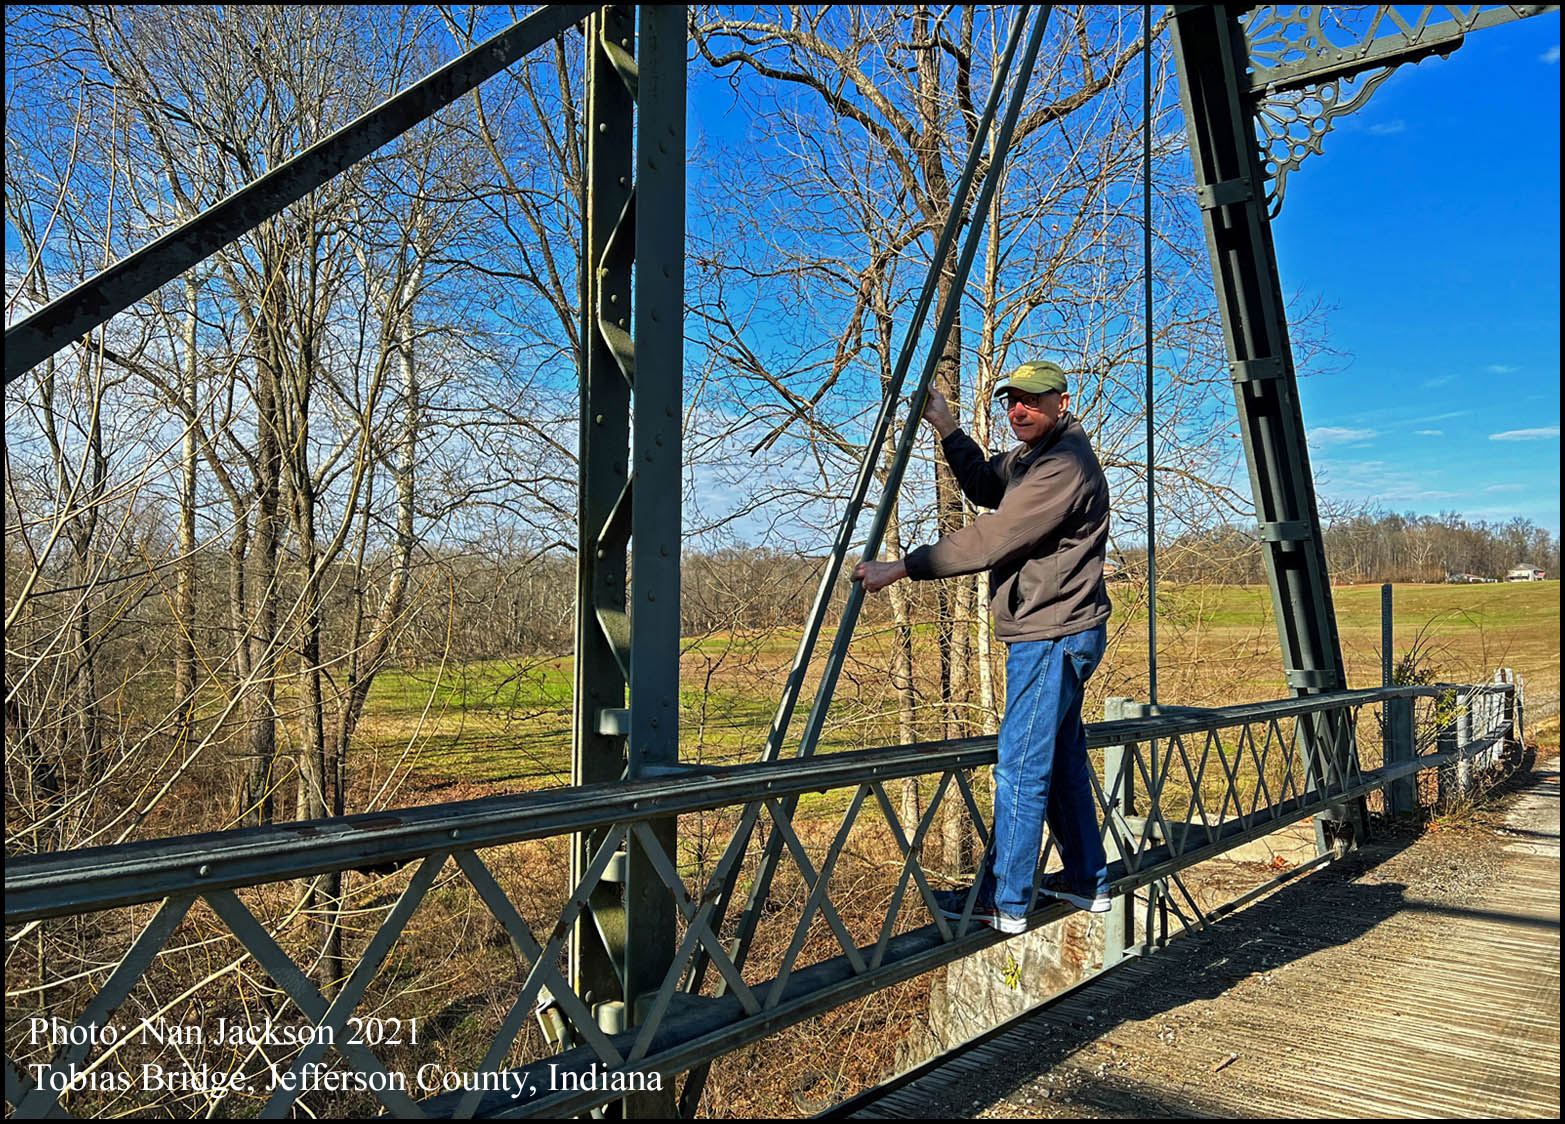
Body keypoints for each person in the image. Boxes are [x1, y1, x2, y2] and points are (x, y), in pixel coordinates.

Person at [853, 359, 1113, 934]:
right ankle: (1086, 880)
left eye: (1032, 400)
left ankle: (1005, 901)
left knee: (1020, 765)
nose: (1019, 409)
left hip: (1051, 633)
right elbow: (981, 482)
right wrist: (947, 426)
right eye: (1011, 400)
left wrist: (901, 567)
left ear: (1061, 403)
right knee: (1063, 758)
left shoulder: (1063, 467)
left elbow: (992, 537)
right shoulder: (1034, 459)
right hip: (1063, 629)